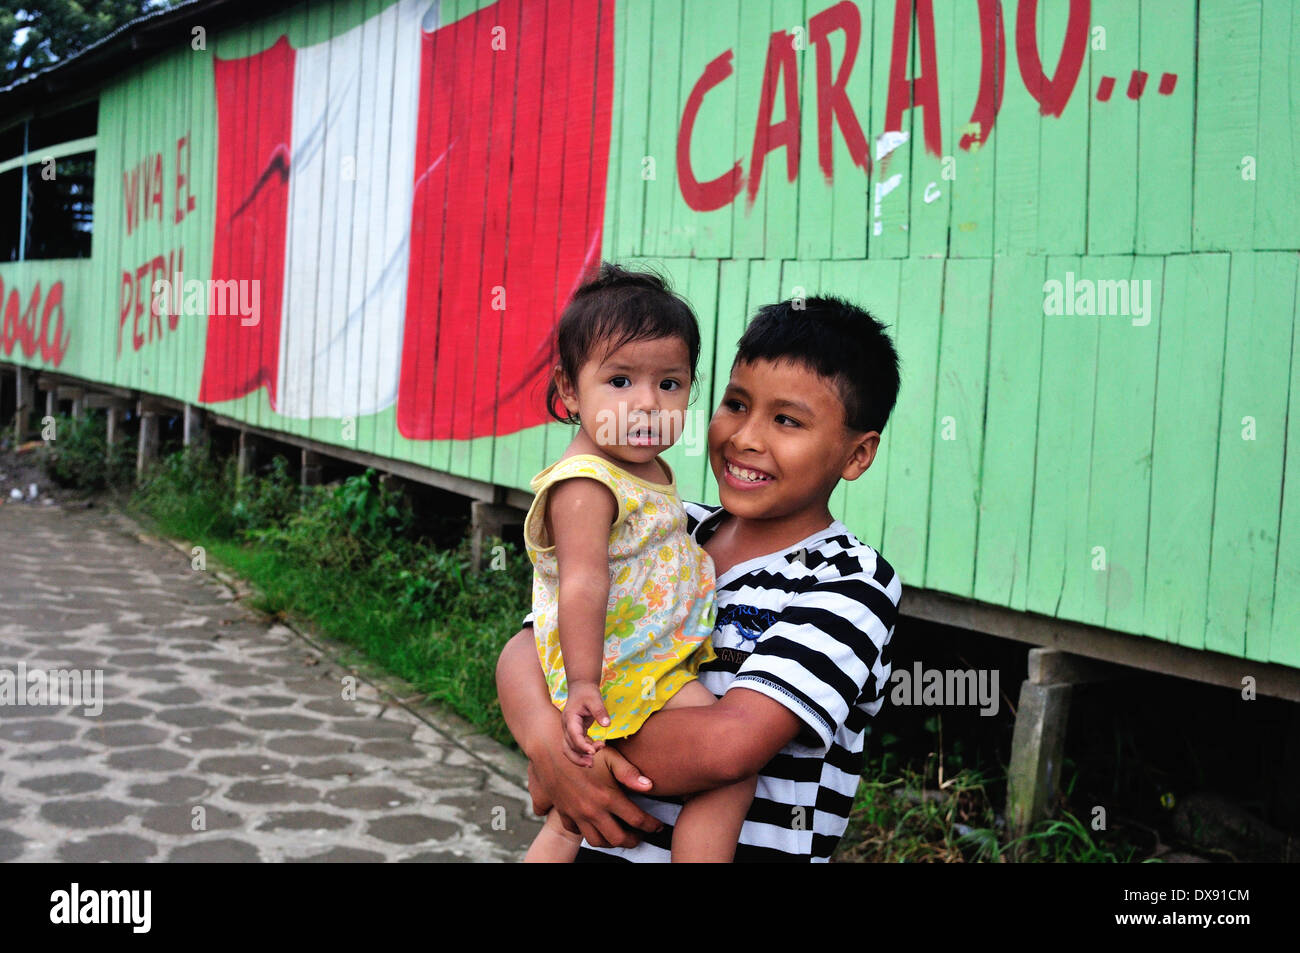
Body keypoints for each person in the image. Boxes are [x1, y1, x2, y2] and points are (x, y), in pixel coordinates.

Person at [497, 292, 904, 861]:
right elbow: (529, 648)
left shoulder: (848, 581)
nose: (745, 438)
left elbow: (727, 746)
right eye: (736, 404)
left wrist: (580, 760)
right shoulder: (665, 526)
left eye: (786, 420)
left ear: (856, 456)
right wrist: (549, 745)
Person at [519, 262, 757, 862]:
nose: (646, 404)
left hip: (646, 661)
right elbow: (579, 584)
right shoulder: (587, 484)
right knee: (729, 774)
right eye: (620, 381)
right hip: (618, 671)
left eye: (669, 384)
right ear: (569, 389)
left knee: (568, 821)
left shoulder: (636, 470)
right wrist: (581, 685)